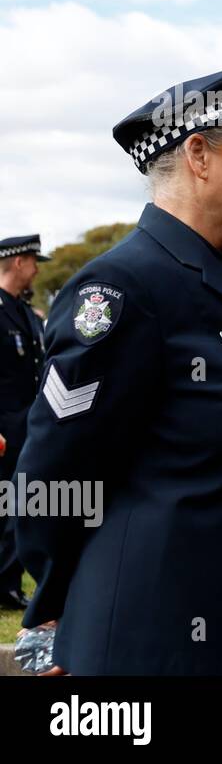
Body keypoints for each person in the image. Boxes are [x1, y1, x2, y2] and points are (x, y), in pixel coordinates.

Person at [16, 62, 222, 674]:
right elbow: (52, 471)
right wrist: (56, 605)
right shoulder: (123, 287)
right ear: (199, 155)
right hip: (154, 638)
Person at [0, 234, 49, 610]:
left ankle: (9, 585)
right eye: (34, 261)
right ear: (18, 262)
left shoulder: (23, 312)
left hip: (25, 426)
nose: (36, 269)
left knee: (19, 506)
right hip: (4, 427)